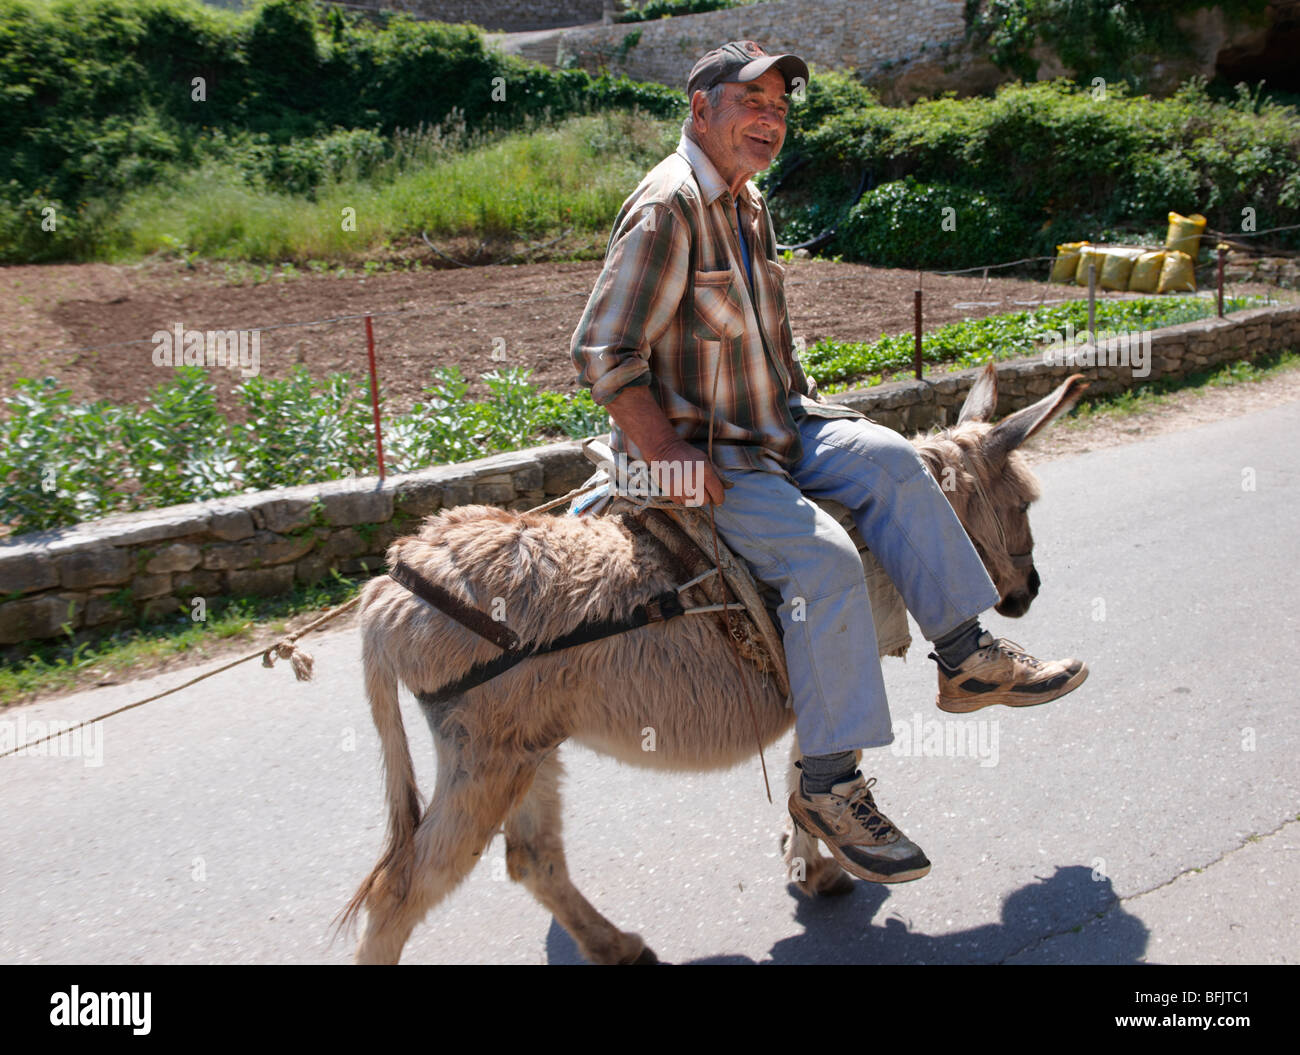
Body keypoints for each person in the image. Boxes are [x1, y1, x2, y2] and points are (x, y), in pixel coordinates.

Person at [569, 41, 1087, 884]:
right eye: (752, 103)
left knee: (892, 459)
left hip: (782, 421)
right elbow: (602, 350)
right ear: (700, 111)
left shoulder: (748, 203)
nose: (770, 120)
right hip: (709, 447)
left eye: (780, 108)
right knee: (825, 562)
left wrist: (806, 412)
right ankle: (830, 787)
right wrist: (663, 454)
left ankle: (965, 656)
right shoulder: (670, 207)